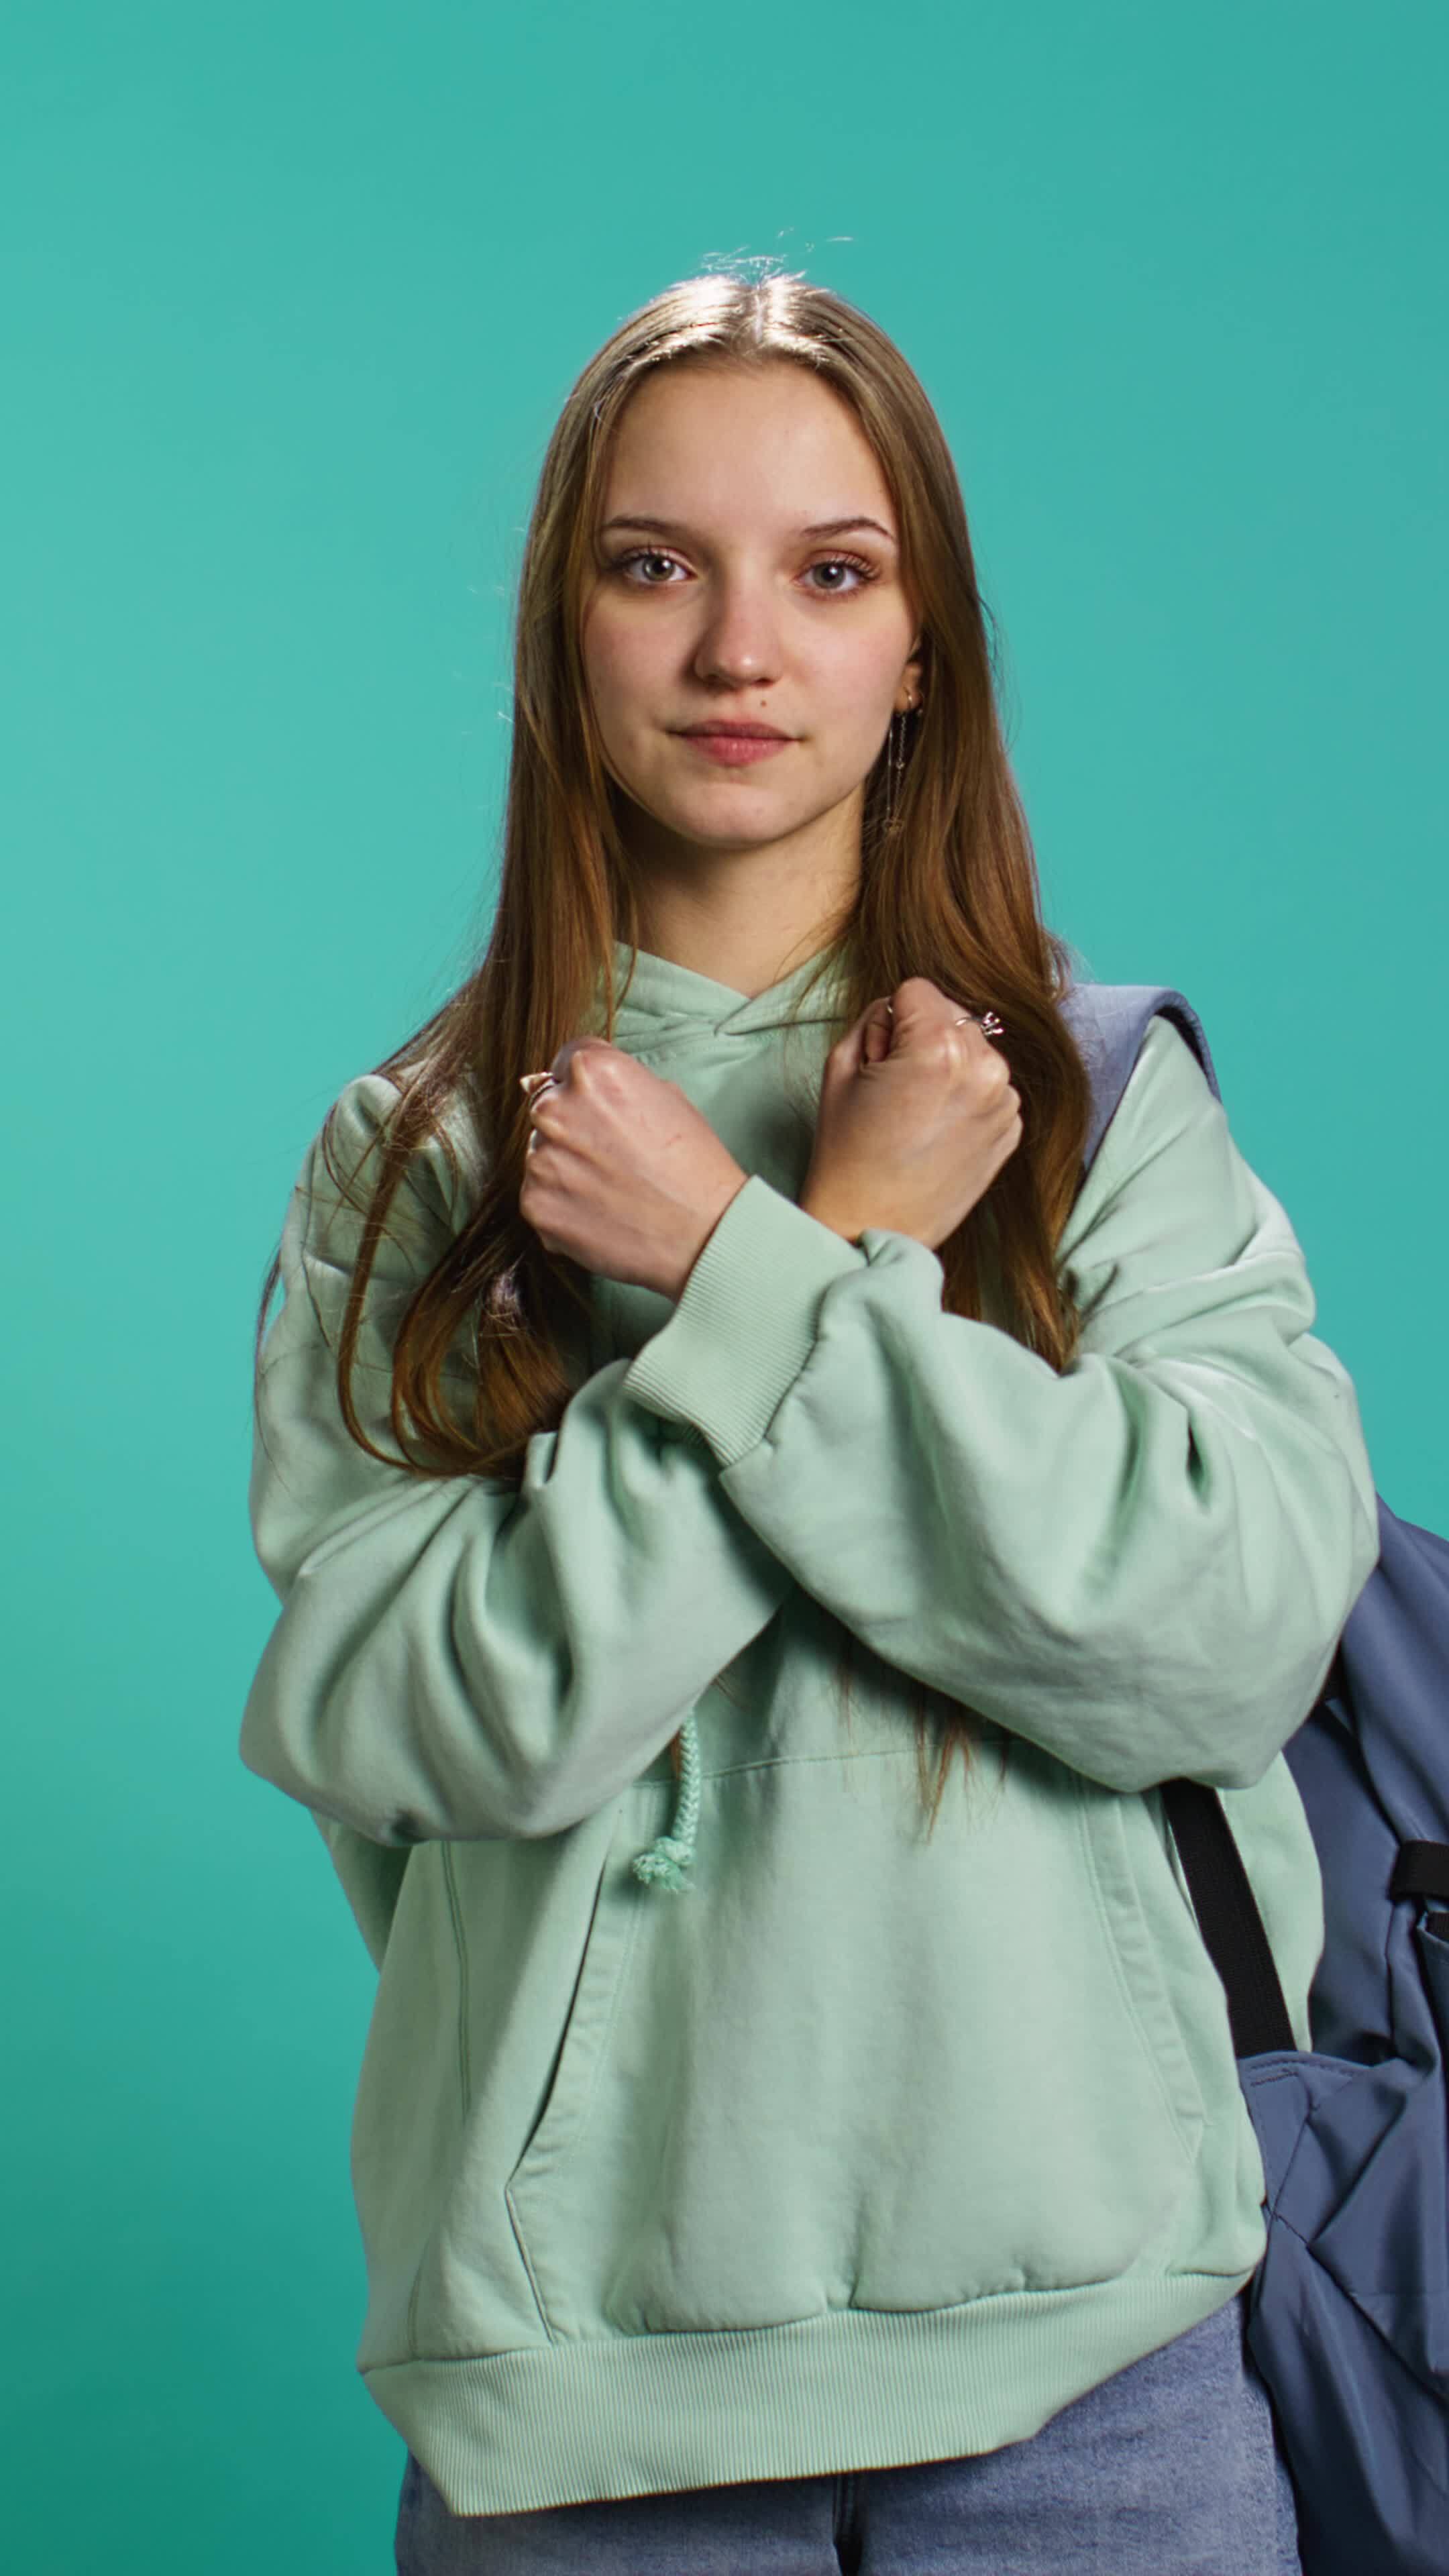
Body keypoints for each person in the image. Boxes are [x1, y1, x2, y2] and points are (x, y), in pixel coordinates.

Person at [240, 268, 1379, 2573]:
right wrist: (845, 1261)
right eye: (655, 566)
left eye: (831, 575)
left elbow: (1230, 1637)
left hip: (1102, 2384)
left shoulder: (1094, 1107)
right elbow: (430, 1727)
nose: (741, 651)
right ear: (564, 632)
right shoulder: (424, 1159)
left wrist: (754, 1264)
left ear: (919, 651)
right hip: (582, 2403)